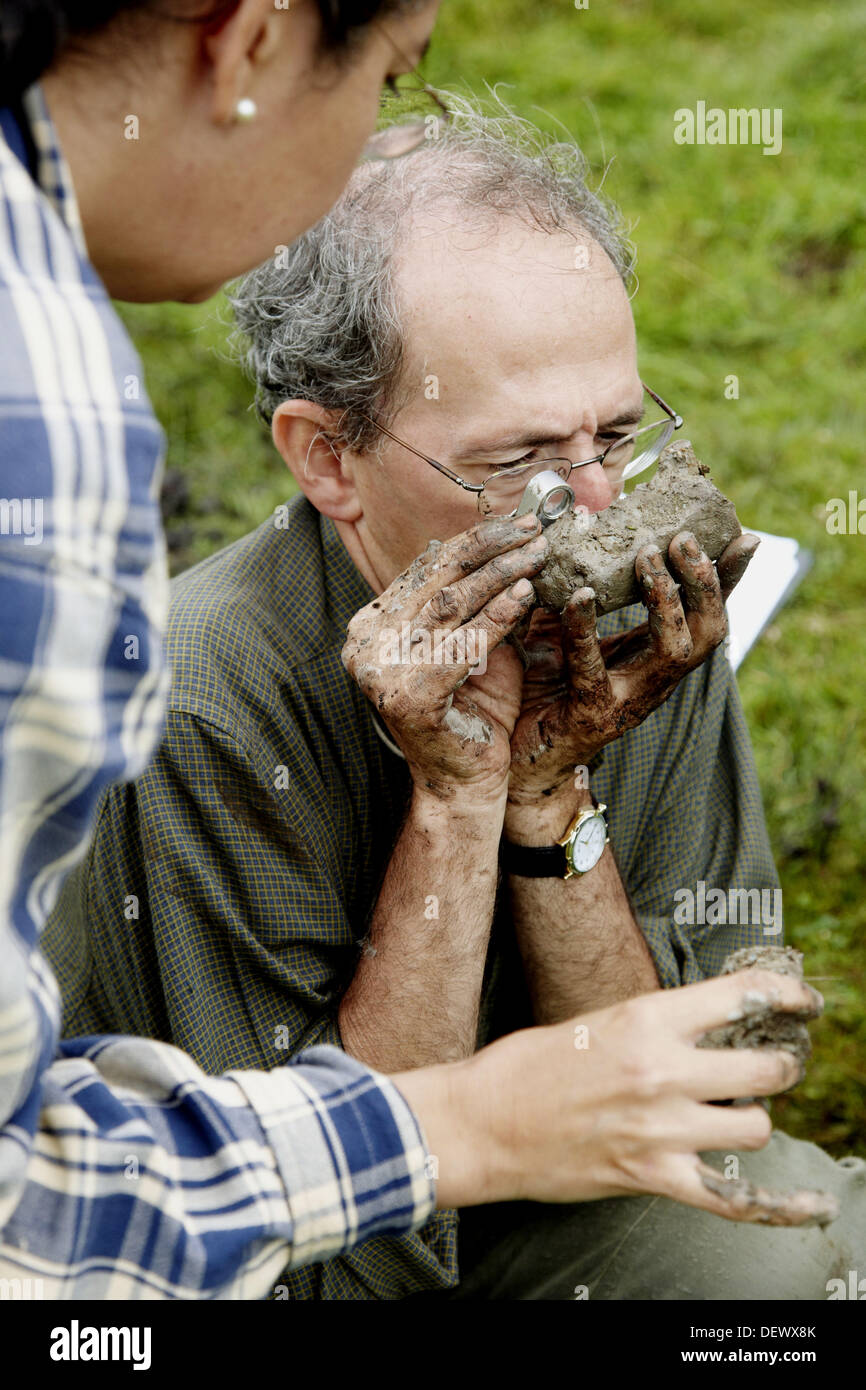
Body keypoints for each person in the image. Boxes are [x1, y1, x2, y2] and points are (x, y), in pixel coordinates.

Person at [1, 0, 831, 1303]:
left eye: (616, 434)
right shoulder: (198, 698)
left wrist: (549, 798)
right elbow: (325, 1257)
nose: (597, 509)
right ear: (325, 457)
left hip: (574, 1194)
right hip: (266, 1241)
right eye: (516, 463)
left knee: (801, 1255)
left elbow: (704, 1090)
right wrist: (451, 798)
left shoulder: (635, 617)